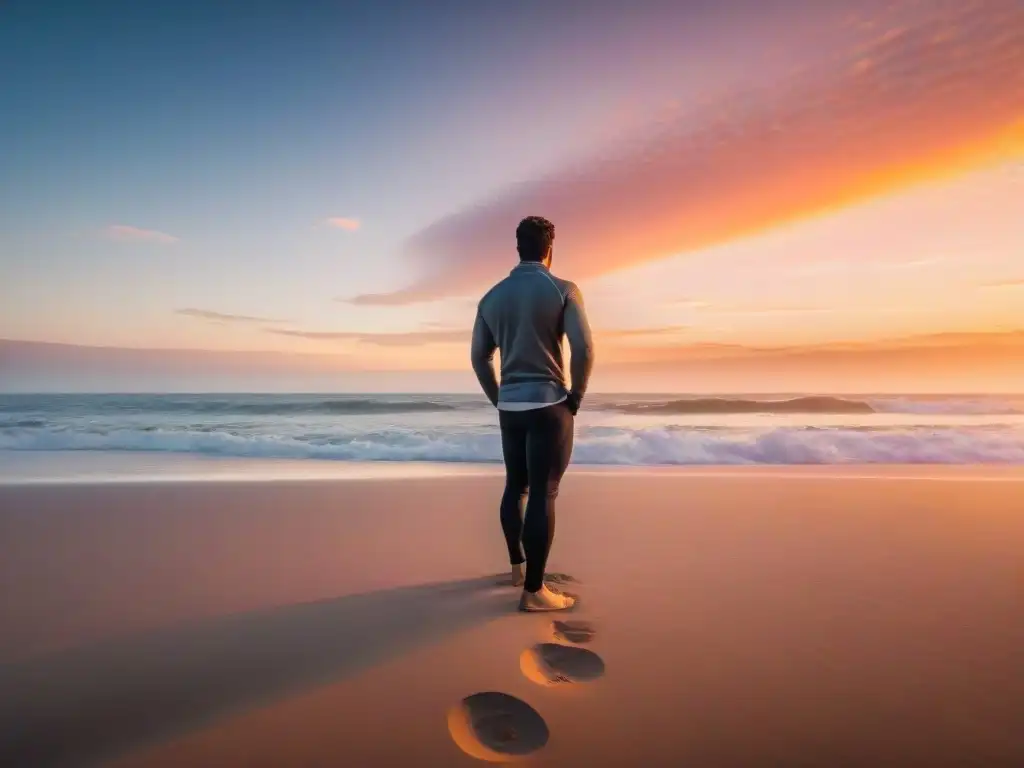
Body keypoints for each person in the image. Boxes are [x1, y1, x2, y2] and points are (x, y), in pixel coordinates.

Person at [470, 215, 594, 612]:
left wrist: (498, 397)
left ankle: (517, 570)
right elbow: (584, 349)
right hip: (548, 406)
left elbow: (479, 358)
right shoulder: (563, 290)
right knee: (544, 492)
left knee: (515, 487)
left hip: (511, 406)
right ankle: (536, 593)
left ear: (517, 247)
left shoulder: (491, 297)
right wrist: (575, 396)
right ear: (550, 250)